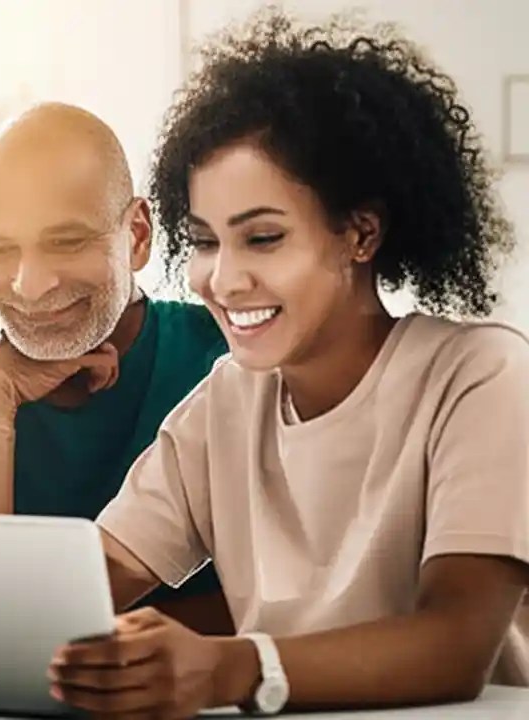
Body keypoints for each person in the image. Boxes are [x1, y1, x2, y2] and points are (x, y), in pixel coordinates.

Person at [46, 10, 529, 717]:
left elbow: (454, 646)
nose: (223, 279)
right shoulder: (225, 404)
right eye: (206, 241)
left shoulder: (481, 375)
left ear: (360, 234)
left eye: (263, 238)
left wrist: (230, 669)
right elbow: (83, 584)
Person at [0, 103, 229, 630]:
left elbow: (299, 597)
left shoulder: (234, 362)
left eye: (67, 242)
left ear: (139, 237)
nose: (29, 284)